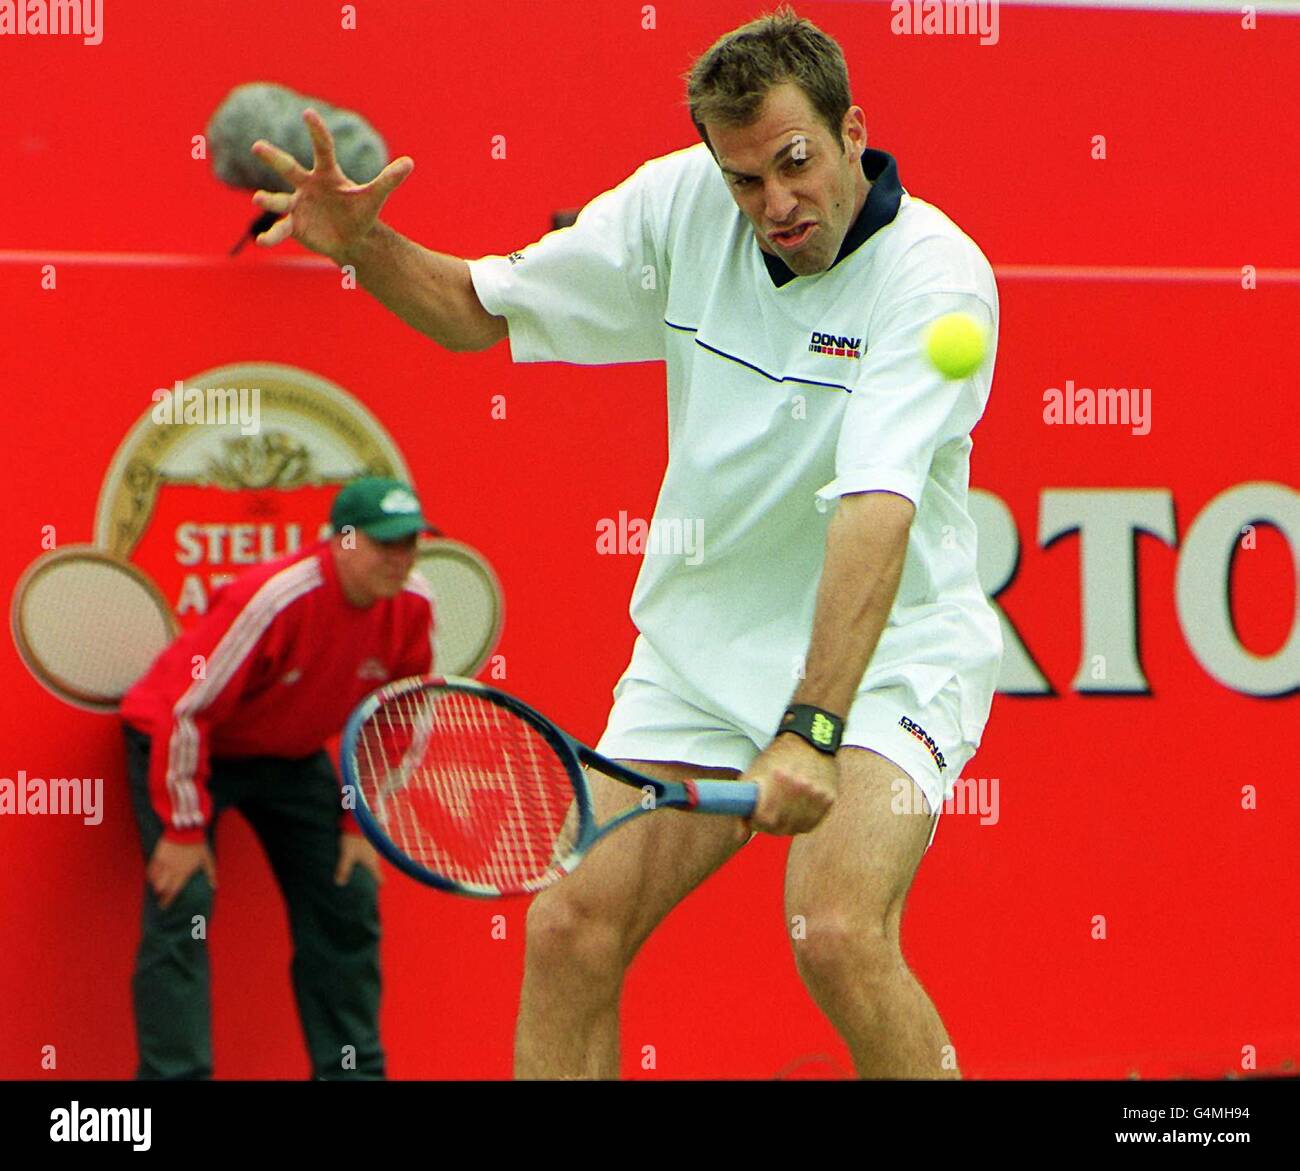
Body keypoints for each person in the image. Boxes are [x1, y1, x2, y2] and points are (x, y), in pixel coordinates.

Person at [250, 5, 1002, 1079]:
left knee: (833, 931)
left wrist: (811, 723)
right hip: (697, 653)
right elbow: (476, 307)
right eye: (744, 180)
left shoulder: (934, 280)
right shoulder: (679, 207)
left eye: (794, 163)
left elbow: (874, 509)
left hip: (882, 661)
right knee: (571, 927)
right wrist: (364, 245)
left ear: (851, 131)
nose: (775, 204)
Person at [119, 477, 438, 1079]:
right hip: (187, 744)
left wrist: (357, 820)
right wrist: (183, 830)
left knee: (349, 891)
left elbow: (399, 719)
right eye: (385, 544)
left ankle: (352, 1073)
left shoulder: (414, 604)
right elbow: (185, 710)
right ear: (342, 541)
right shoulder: (276, 597)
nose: (401, 559)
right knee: (183, 900)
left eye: (411, 544)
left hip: (287, 757)